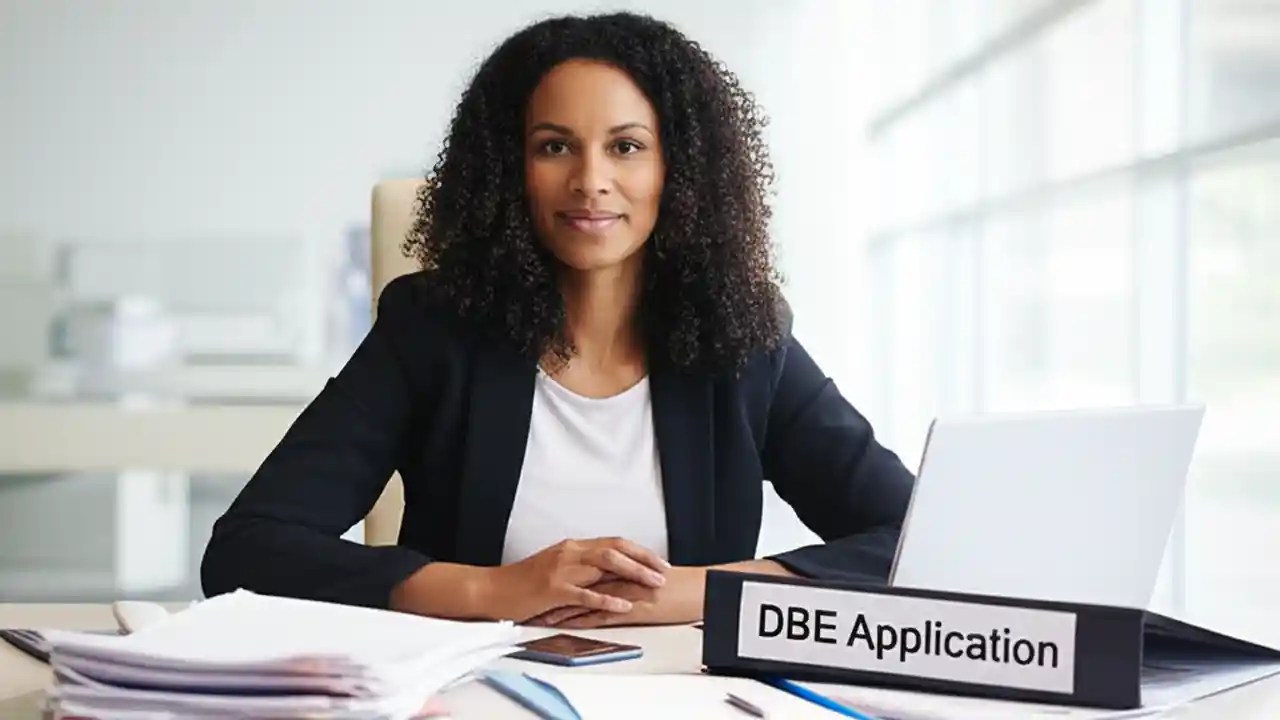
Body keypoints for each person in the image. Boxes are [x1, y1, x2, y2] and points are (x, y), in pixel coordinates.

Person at [201, 11, 914, 629]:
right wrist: (492, 589)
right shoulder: (431, 328)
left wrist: (686, 593)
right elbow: (249, 548)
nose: (590, 179)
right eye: (554, 146)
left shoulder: (745, 339)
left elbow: (913, 541)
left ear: (680, 170)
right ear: (511, 170)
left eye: (626, 146)